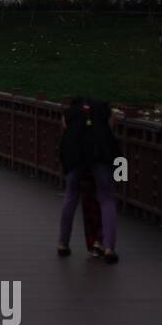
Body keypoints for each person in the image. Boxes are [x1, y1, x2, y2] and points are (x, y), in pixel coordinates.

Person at [56, 97, 120, 264]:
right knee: (107, 198)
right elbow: (112, 126)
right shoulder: (105, 109)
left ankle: (63, 243)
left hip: (75, 156)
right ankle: (108, 247)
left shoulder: (70, 112)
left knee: (70, 196)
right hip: (100, 155)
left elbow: (64, 128)